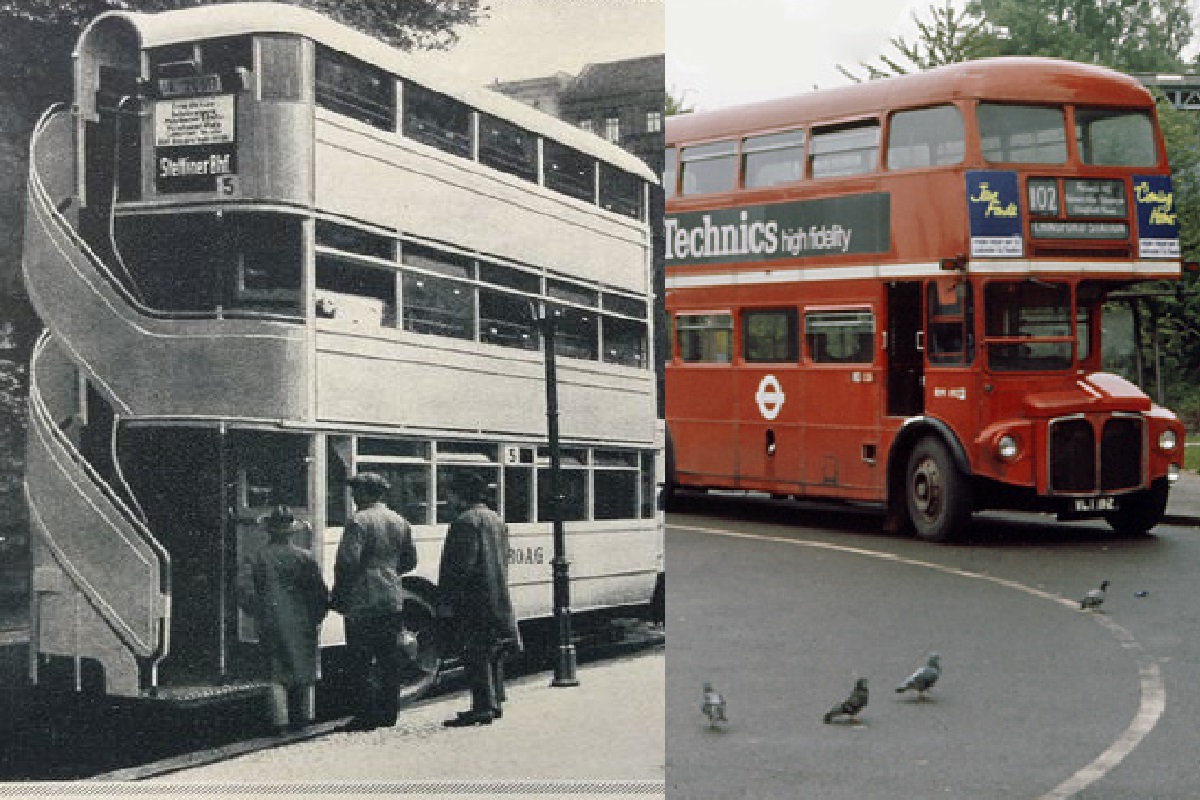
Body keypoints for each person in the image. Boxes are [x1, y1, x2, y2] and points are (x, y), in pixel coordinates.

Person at [330, 471, 417, 732]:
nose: (354, 496)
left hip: (362, 598)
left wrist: (339, 595)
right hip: (391, 596)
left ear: (368, 493)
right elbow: (410, 561)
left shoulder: (358, 521)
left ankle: (365, 716)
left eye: (357, 491)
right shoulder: (399, 520)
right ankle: (389, 713)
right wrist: (388, 573)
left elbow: (347, 562)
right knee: (389, 657)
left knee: (360, 658)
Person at [438, 470, 521, 727]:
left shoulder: (465, 521)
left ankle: (483, 706)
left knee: (475, 653)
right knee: (492, 650)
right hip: (495, 592)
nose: (448, 499)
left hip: (472, 598)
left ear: (461, 494)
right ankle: (494, 702)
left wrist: (448, 598)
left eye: (450, 493)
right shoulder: (495, 519)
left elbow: (461, 566)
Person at [237, 505, 329, 734]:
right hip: (302, 620)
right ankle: (306, 719)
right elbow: (319, 593)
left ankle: (280, 723)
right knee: (305, 668)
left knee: (276, 672)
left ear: (269, 531)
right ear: (292, 532)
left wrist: (256, 612)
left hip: (271, 619)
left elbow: (243, 589)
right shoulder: (305, 558)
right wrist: (316, 617)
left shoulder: (256, 557)